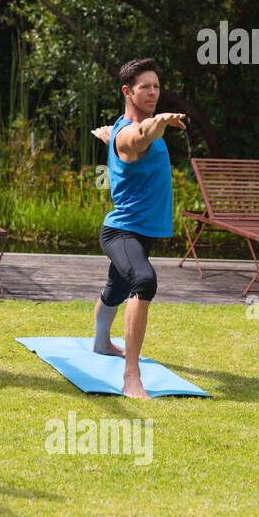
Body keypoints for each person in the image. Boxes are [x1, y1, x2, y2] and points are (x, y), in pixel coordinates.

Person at [90, 57, 186, 398]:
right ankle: (132, 377)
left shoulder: (119, 128)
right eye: (145, 86)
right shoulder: (136, 132)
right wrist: (157, 123)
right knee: (143, 281)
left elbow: (125, 138)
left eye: (157, 86)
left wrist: (108, 136)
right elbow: (137, 137)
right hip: (121, 232)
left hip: (143, 235)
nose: (153, 92)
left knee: (116, 289)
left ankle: (101, 342)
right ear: (127, 91)